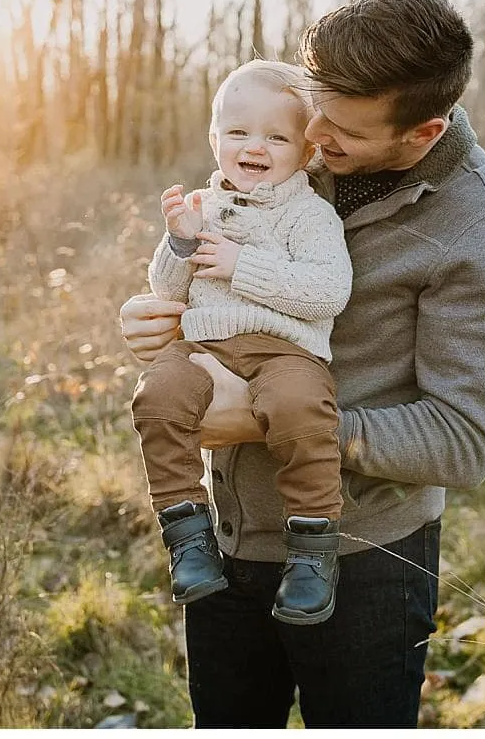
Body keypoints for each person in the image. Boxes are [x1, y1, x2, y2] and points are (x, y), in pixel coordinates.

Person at [119, 0, 485, 726]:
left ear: (423, 131)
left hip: (363, 561)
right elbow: (214, 271)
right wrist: (160, 318)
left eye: (338, 127)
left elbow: (464, 440)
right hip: (227, 538)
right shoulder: (291, 153)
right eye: (313, 106)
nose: (310, 133)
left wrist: (267, 421)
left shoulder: (483, 231)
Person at [131, 60, 350, 624]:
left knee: (299, 412)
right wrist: (180, 241)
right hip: (204, 346)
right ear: (215, 140)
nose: (255, 145)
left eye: (277, 136)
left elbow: (328, 292)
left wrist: (239, 264)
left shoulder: (311, 215)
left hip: (285, 351)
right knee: (158, 397)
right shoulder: (202, 208)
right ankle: (188, 535)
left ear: (306, 154)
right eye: (239, 132)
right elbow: (166, 289)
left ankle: (312, 551)